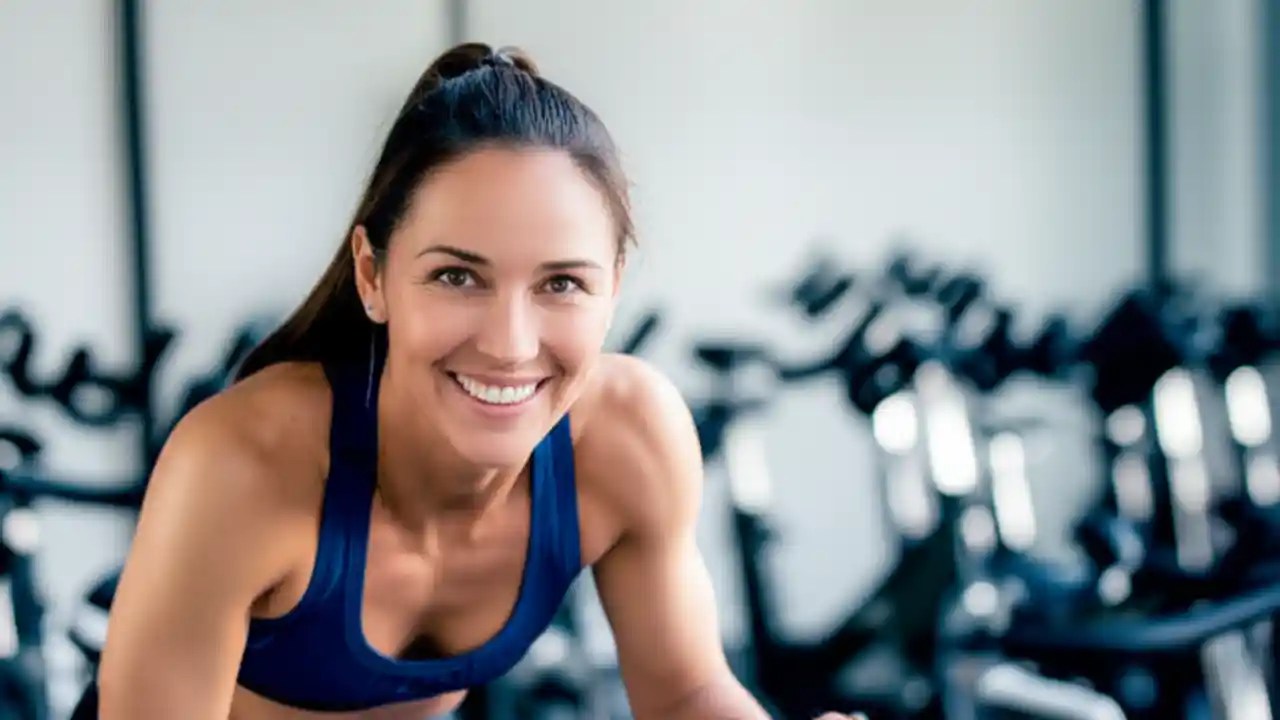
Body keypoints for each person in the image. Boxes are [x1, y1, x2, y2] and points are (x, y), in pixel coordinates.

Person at [95, 42, 859, 720]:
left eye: (561, 284)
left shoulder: (630, 435)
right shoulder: (243, 464)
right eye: (457, 276)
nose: (509, 344)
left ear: (615, 287)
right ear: (373, 274)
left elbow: (686, 693)